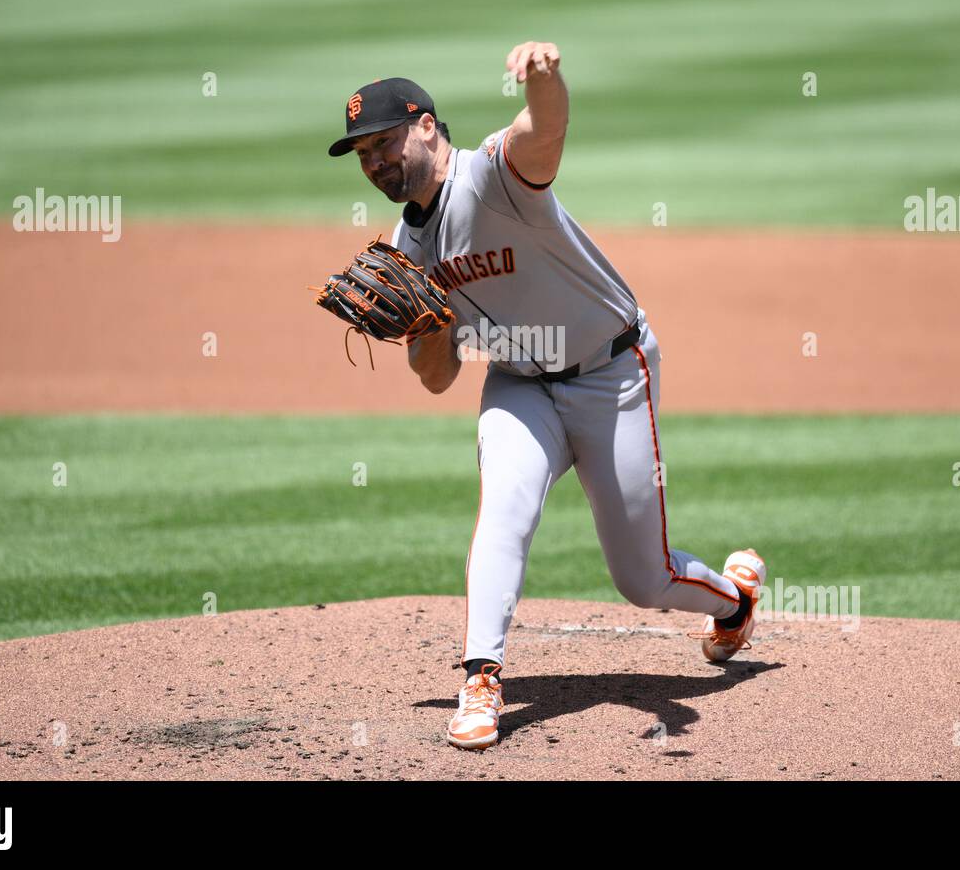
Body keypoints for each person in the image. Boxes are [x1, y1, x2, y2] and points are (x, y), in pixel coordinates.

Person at [325, 42, 768, 751]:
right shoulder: (407, 252)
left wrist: (545, 78)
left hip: (611, 374)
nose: (373, 161)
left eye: (383, 142)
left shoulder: (496, 175)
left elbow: (546, 130)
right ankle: (481, 679)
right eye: (361, 153)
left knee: (642, 577)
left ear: (429, 127)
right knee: (505, 504)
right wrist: (431, 325)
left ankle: (736, 599)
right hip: (518, 387)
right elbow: (437, 377)